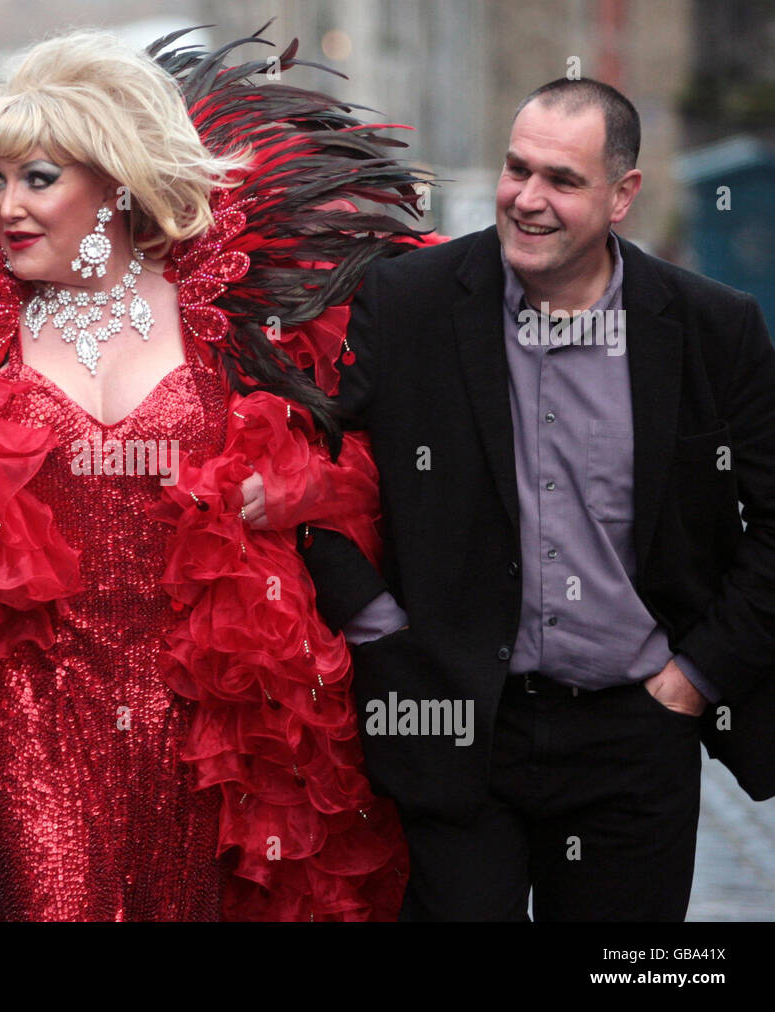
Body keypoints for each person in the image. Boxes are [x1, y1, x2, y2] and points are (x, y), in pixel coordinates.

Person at [0, 28, 430, 921]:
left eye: (37, 179)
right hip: (28, 714)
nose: (5, 207)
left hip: (196, 709)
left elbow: (349, 467)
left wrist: (283, 492)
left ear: (115, 185)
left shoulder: (222, 315)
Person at [305, 78, 775, 920]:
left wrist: (695, 679)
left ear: (623, 195)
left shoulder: (714, 328)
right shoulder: (408, 302)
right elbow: (320, 480)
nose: (527, 199)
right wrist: (386, 637)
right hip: (456, 726)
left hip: (635, 739)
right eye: (517, 169)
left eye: (562, 179)